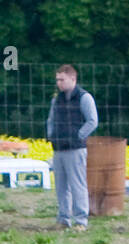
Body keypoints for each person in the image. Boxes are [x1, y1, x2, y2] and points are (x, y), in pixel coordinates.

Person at [47, 65, 98, 230]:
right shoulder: (57, 99)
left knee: (77, 185)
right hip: (58, 148)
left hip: (75, 149)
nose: (59, 83)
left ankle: (81, 220)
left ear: (73, 79)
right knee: (61, 186)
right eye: (57, 80)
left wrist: (78, 136)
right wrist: (51, 136)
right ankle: (63, 219)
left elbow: (92, 121)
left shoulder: (84, 98)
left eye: (62, 80)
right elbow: (51, 120)